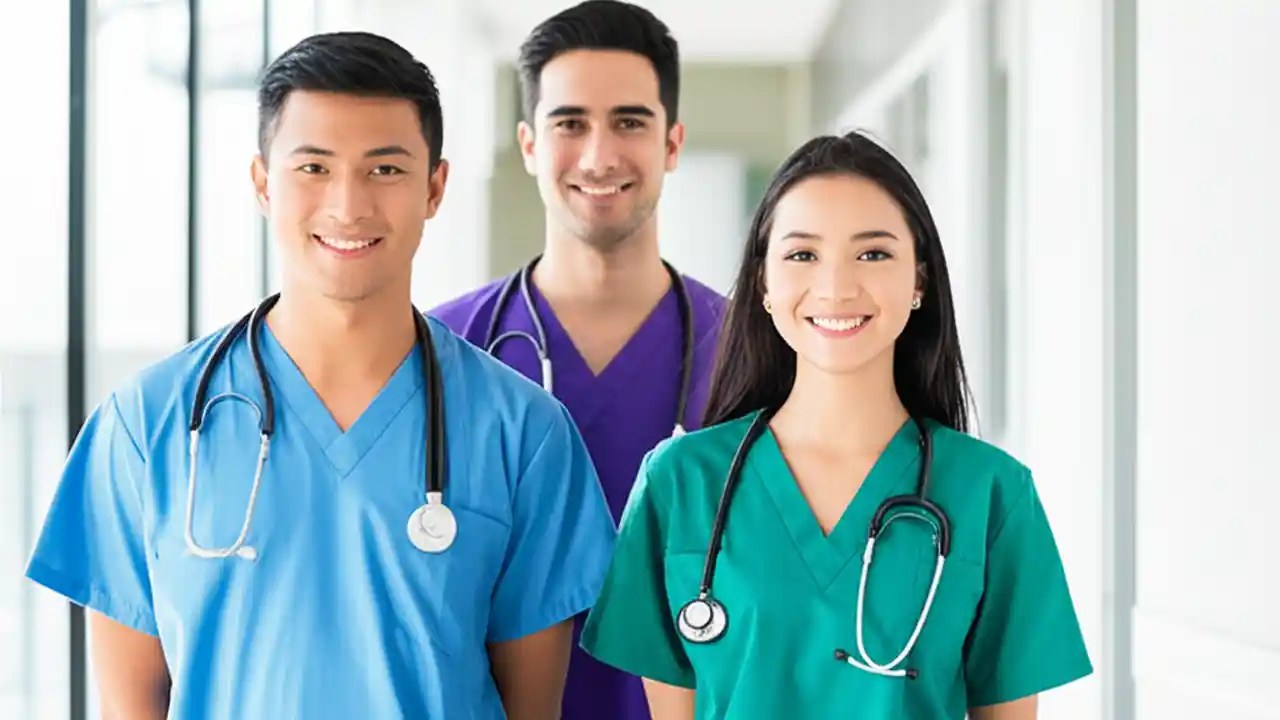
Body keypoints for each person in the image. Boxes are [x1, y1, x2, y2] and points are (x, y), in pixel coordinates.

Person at [24, 31, 616, 720]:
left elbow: (530, 710)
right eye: (313, 167)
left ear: (434, 187)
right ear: (261, 183)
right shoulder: (146, 424)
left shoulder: (524, 433)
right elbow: (130, 707)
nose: (348, 205)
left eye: (385, 170)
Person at [579, 131, 1094, 719]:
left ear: (919, 281)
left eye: (873, 253)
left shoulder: (993, 495)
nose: (836, 286)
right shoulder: (682, 482)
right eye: (802, 254)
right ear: (766, 285)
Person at [431, 3, 725, 718]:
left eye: (630, 122)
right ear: (529, 144)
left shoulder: (755, 351)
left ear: (673, 142)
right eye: (570, 123)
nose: (599, 156)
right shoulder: (442, 352)